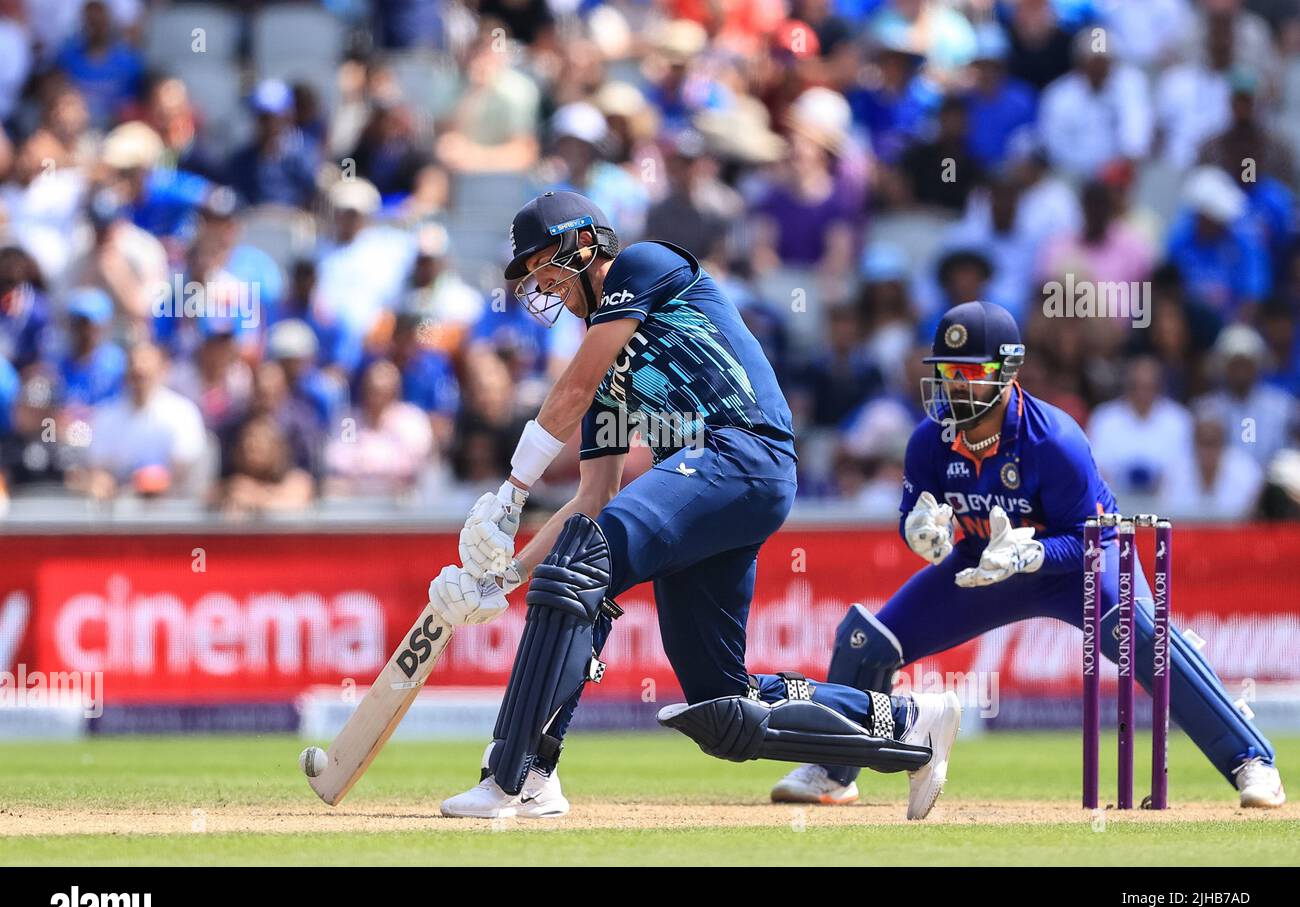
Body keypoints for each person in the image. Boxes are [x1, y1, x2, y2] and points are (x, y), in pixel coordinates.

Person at [430, 190, 963, 820]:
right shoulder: (607, 362)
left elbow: (570, 388)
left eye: (543, 262)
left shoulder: (644, 265)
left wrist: (512, 492)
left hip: (741, 452)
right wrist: (506, 575)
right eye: (528, 275)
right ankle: (912, 722)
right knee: (722, 709)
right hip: (710, 487)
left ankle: (514, 777)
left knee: (585, 564)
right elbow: (592, 497)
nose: (540, 282)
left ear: (583, 243)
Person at [770, 302, 1285, 810]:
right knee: (867, 642)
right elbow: (915, 508)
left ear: (1008, 370)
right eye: (948, 371)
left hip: (1081, 565)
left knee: (1146, 641)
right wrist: (919, 531)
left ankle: (1251, 762)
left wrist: (1033, 553)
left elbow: (1091, 536)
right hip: (982, 565)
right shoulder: (930, 440)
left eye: (972, 371)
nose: (956, 385)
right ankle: (833, 771)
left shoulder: (1054, 440)